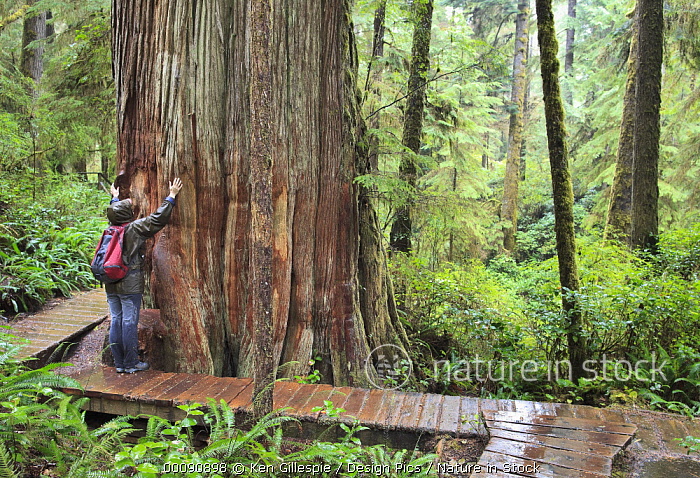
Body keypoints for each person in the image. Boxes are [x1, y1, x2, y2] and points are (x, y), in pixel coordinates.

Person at [105, 178, 183, 373]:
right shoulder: (133, 229)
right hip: (129, 284)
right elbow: (157, 219)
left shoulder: (111, 228)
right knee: (129, 322)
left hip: (111, 281)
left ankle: (119, 363)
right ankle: (131, 364)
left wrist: (115, 199)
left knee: (116, 320)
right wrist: (171, 196)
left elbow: (117, 212)